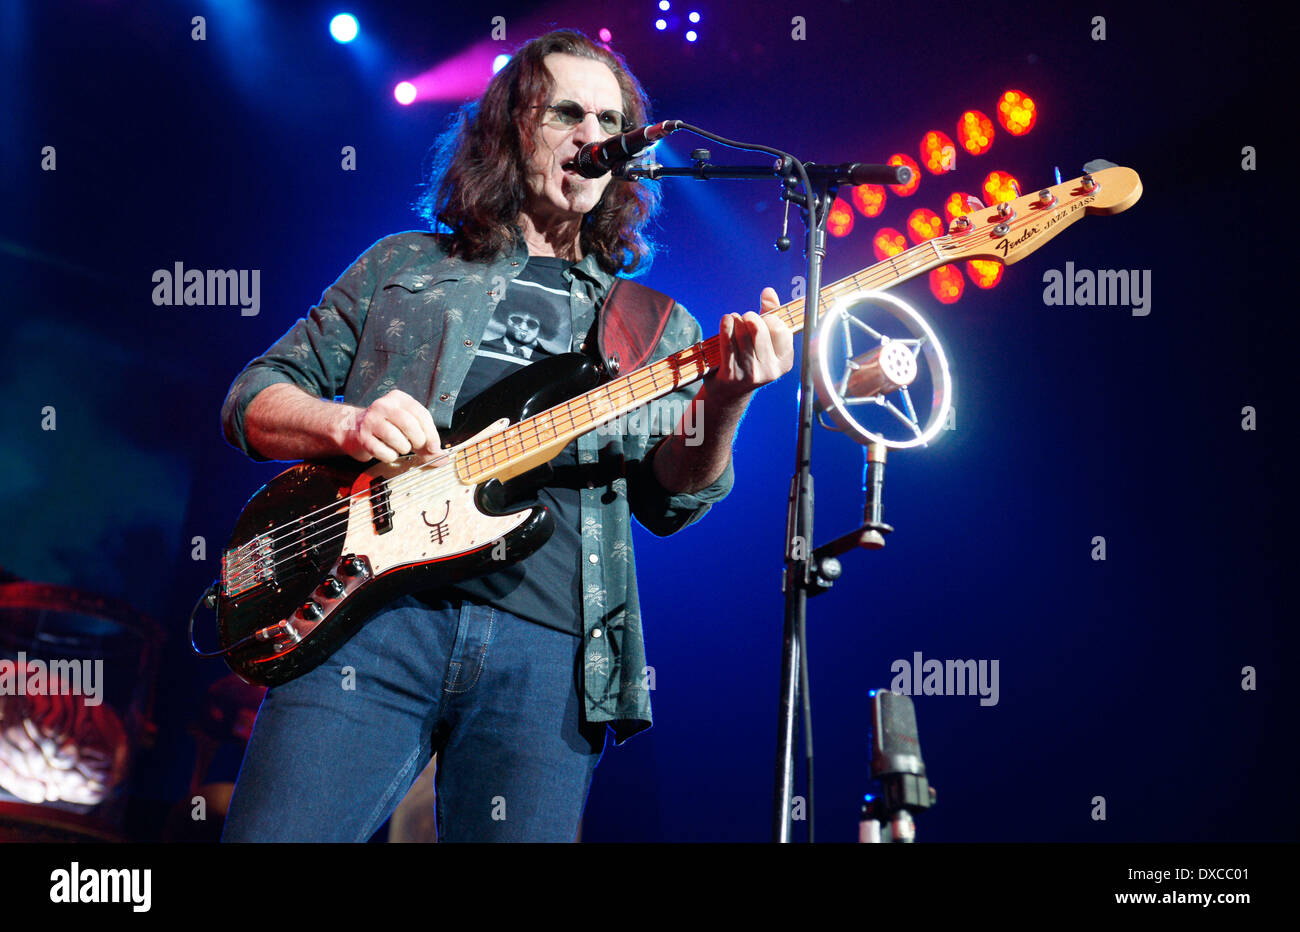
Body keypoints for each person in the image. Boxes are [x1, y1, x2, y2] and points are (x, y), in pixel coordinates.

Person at [217, 28, 793, 842]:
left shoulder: (657, 325)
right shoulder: (401, 265)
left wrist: (728, 397)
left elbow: (672, 497)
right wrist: (349, 423)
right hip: (371, 623)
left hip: (551, 656)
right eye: (567, 113)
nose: (594, 136)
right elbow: (253, 399)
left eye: (609, 119)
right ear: (509, 128)